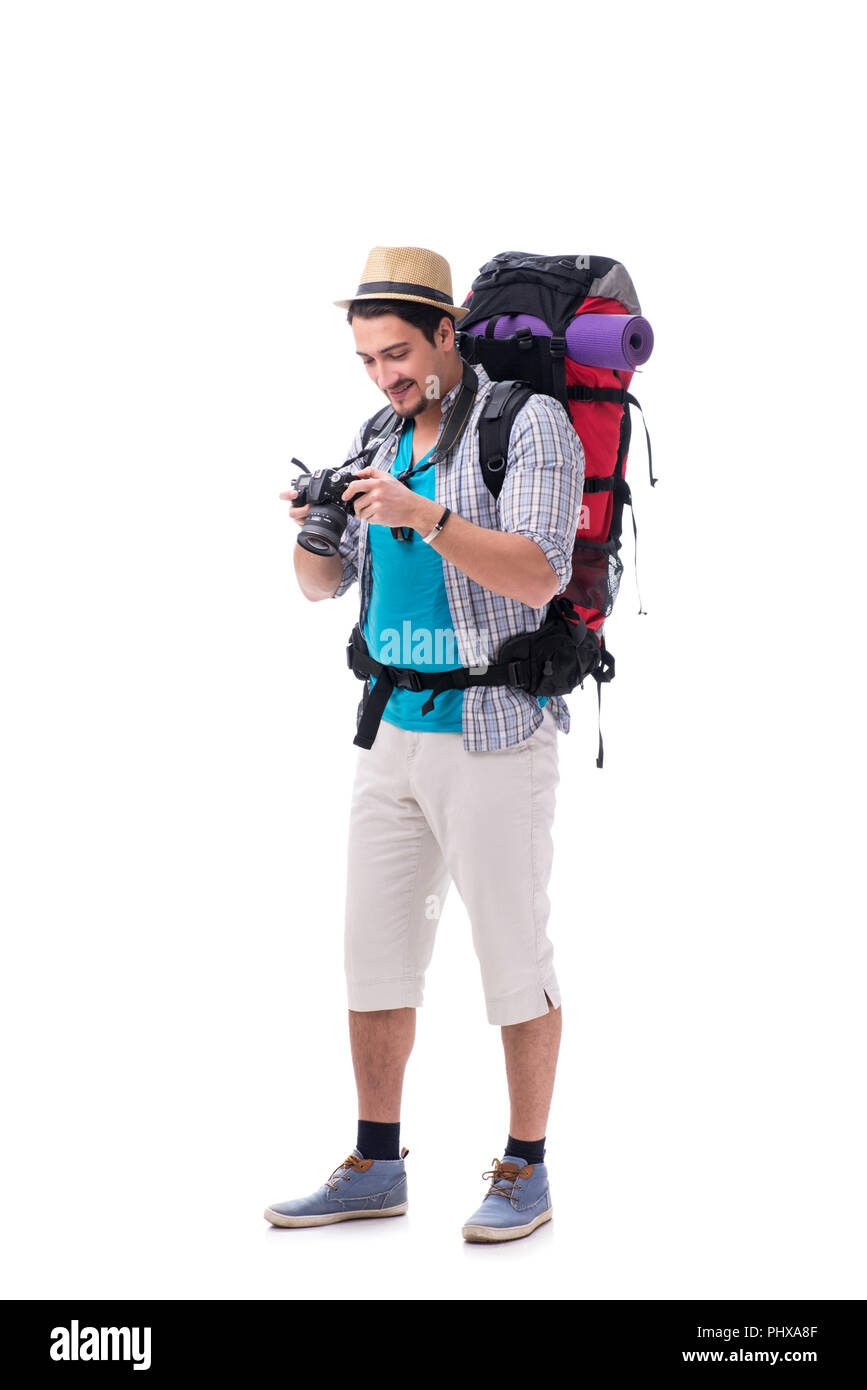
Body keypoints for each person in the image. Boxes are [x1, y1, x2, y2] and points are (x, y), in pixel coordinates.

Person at [266, 247, 585, 1243]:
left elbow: (537, 575)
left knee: (511, 960)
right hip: (390, 732)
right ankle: (375, 1160)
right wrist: (317, 532)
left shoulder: (528, 425)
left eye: (399, 354)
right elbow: (321, 590)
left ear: (448, 334)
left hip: (495, 734)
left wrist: (428, 512)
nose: (385, 377)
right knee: (375, 960)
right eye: (368, 359)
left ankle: (525, 1167)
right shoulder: (377, 432)